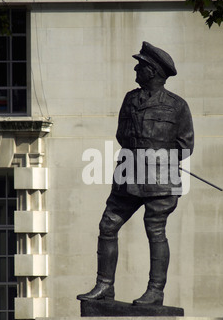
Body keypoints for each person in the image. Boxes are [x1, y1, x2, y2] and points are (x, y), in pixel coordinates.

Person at [77, 41, 194, 306]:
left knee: (155, 231)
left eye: (140, 65)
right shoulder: (130, 99)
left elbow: (185, 146)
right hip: (128, 175)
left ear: (152, 71)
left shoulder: (177, 106)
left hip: (160, 181)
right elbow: (121, 134)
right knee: (108, 225)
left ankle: (155, 291)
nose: (136, 68)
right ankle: (104, 286)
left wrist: (158, 159)